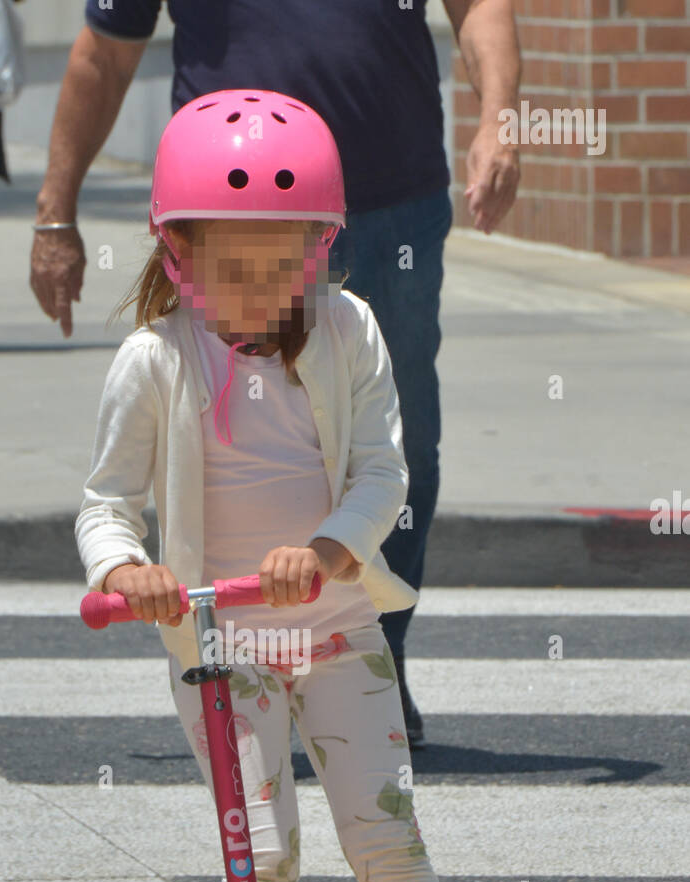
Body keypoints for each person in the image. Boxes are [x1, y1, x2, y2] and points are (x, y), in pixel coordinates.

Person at [75, 90, 546, 882]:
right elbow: (105, 502)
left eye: (283, 264)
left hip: (336, 629)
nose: (260, 288)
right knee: (264, 860)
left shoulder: (345, 330)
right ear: (179, 255)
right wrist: (127, 570)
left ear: (320, 249)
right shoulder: (155, 358)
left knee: (388, 841)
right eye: (233, 267)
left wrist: (327, 549)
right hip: (222, 648)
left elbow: (383, 470)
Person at [34, 1, 521, 746]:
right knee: (228, 449)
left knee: (400, 445)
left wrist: (499, 120)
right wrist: (54, 212)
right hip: (219, 217)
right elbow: (105, 49)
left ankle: (368, 650)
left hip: (390, 202)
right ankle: (244, 663)